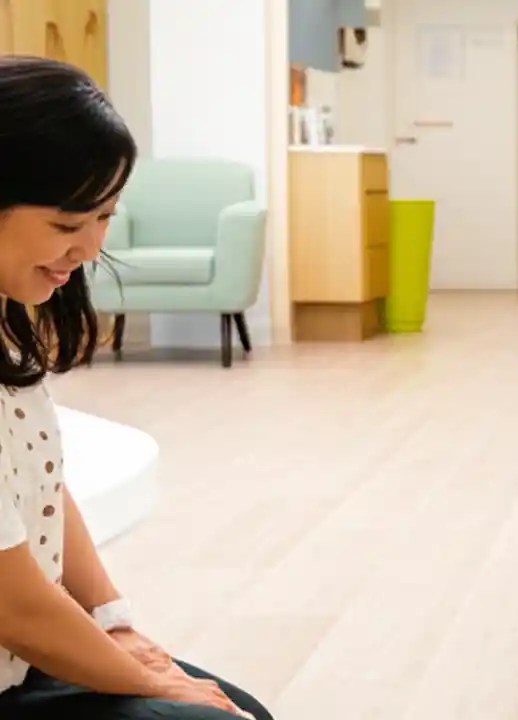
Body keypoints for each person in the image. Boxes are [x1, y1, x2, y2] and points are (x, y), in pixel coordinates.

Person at [0, 56, 272, 720]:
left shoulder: (7, 331)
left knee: (239, 709)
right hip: (16, 653)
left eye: (104, 218)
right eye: (68, 225)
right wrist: (152, 684)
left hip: (20, 663)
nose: (90, 248)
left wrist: (114, 622)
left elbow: (38, 490)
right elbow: (12, 604)